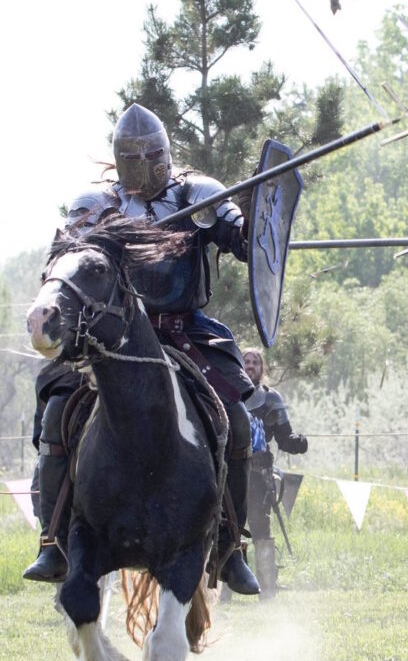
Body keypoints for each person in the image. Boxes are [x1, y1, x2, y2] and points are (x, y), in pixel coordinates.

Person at [23, 102, 261, 595]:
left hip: (184, 330)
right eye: (131, 158)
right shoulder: (97, 203)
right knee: (58, 411)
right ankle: (55, 539)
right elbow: (66, 254)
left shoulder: (199, 193)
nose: (142, 166)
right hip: (112, 335)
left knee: (236, 420)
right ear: (119, 160)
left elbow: (243, 241)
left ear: (164, 154)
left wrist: (251, 227)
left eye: (149, 156)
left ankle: (230, 543)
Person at [243, 347, 308, 598]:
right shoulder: (227, 394)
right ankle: (225, 590)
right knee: (228, 529)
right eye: (246, 361)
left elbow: (284, 437)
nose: (250, 365)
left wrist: (296, 442)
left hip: (259, 475)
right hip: (230, 474)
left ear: (262, 368)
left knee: (261, 528)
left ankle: (267, 589)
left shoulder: (270, 399)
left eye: (255, 362)